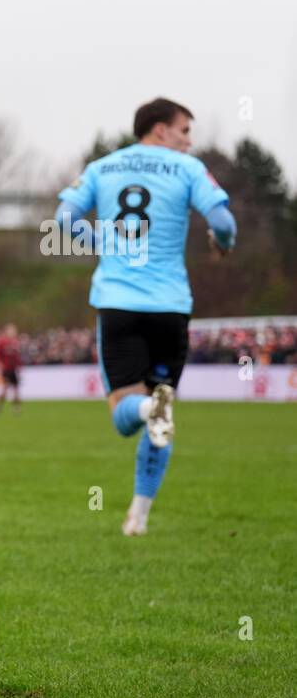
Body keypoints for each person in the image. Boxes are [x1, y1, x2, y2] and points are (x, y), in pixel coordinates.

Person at [55, 97, 236, 535]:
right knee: (162, 416)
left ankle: (147, 408)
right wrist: (222, 245)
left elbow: (63, 220)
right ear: (159, 129)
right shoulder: (189, 170)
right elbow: (224, 222)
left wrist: (105, 246)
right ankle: (138, 514)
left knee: (125, 414)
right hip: (171, 307)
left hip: (119, 303)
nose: (189, 141)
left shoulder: (103, 167)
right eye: (184, 131)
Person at [0, 323, 22, 415]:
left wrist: (19, 366)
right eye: (11, 330)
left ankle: (16, 408)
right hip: (6, 369)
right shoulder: (2, 342)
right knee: (5, 390)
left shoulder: (15, 342)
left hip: (14, 369)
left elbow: (17, 357)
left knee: (16, 390)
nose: (13, 332)